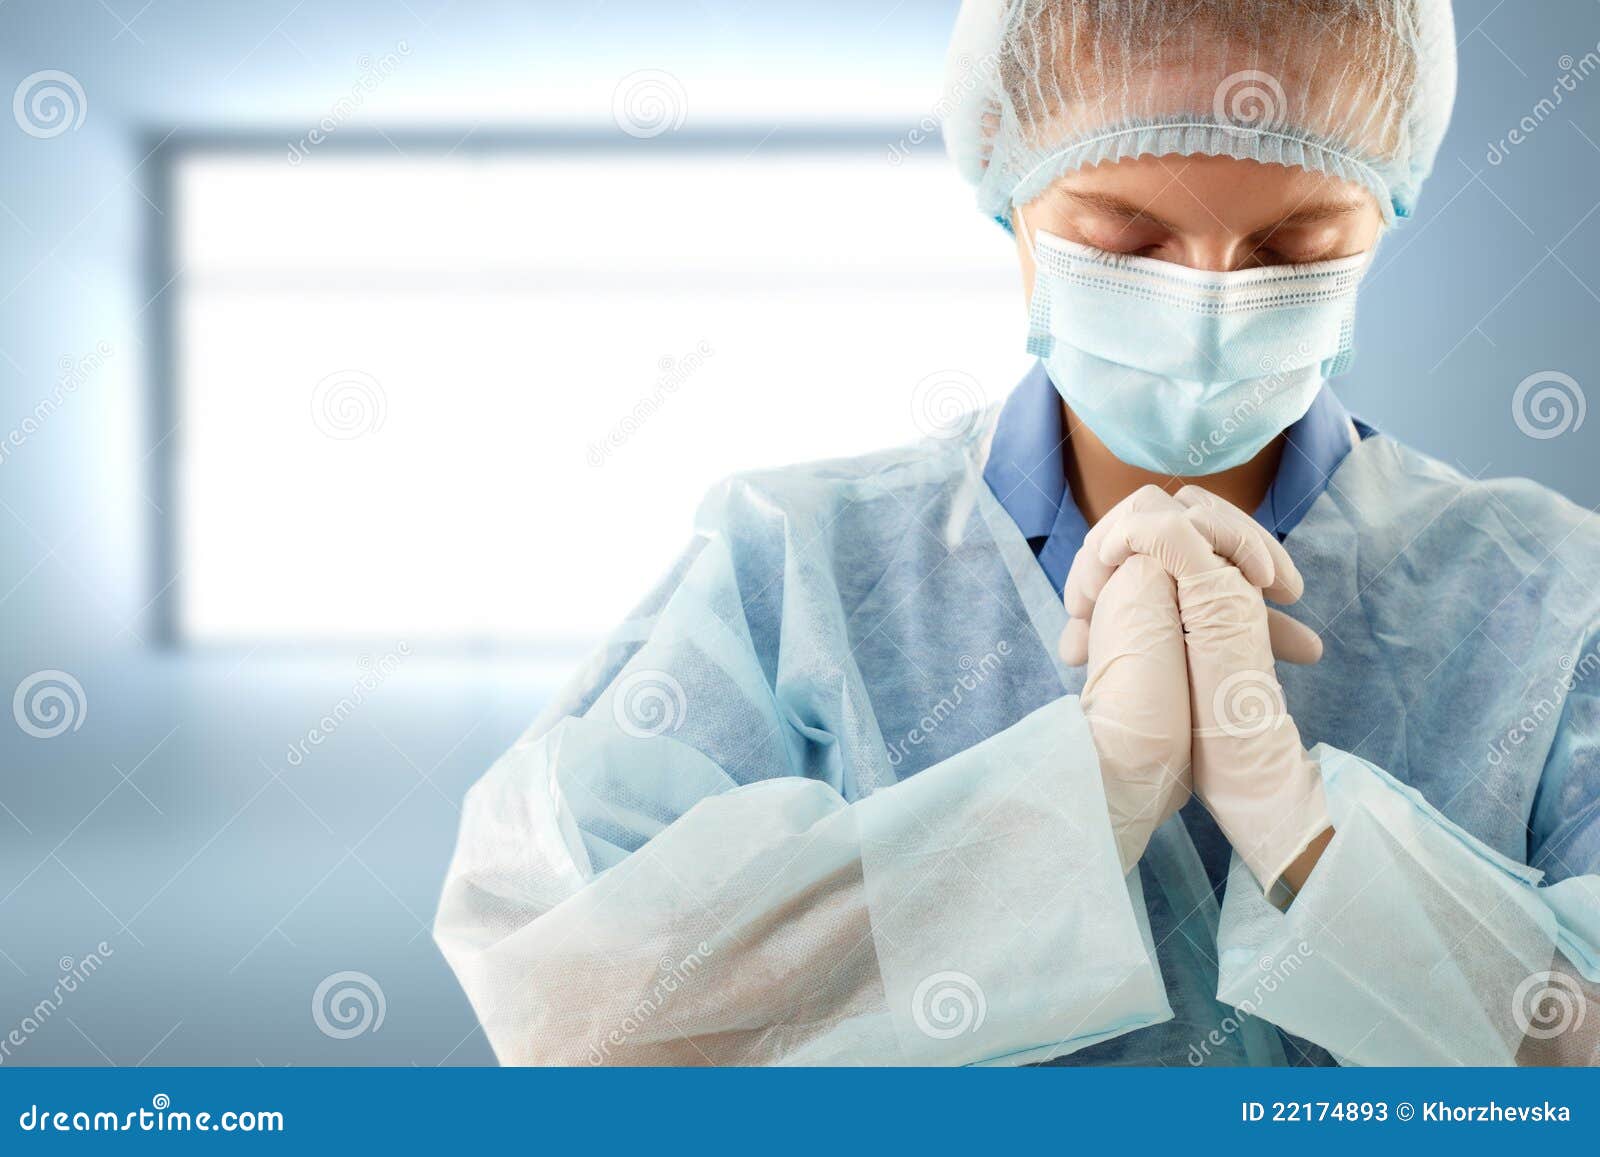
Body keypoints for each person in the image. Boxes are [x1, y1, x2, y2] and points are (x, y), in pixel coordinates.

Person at [435, 0, 1600, 1065]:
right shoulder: (794, 566)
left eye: (1293, 250)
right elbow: (577, 1006)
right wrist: (1076, 796)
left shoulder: (1552, 597)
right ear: (1011, 200)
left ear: (1387, 212)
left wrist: (1307, 833)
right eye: (1128, 239)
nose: (1205, 297)